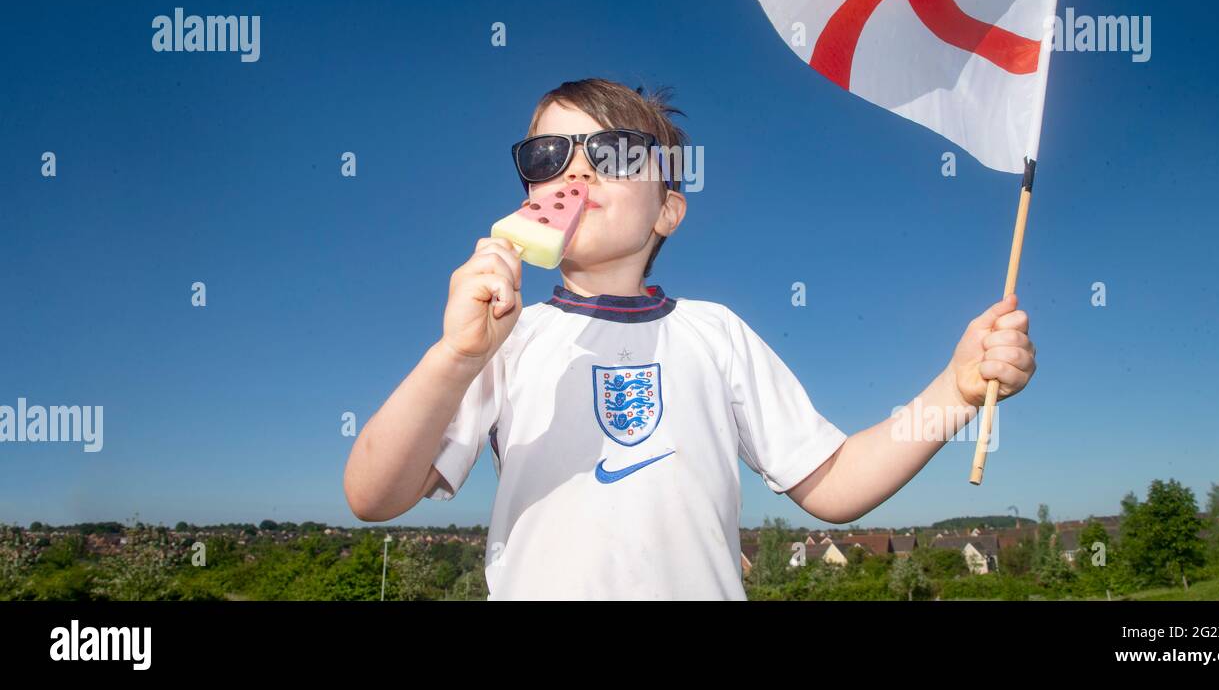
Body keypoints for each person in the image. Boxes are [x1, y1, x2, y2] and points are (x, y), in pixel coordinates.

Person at [343, 77, 1037, 598]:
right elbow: (373, 496)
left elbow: (833, 483)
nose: (577, 171)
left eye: (615, 152)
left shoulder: (717, 333)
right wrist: (454, 356)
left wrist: (956, 389)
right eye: (549, 153)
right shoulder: (504, 335)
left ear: (668, 210)